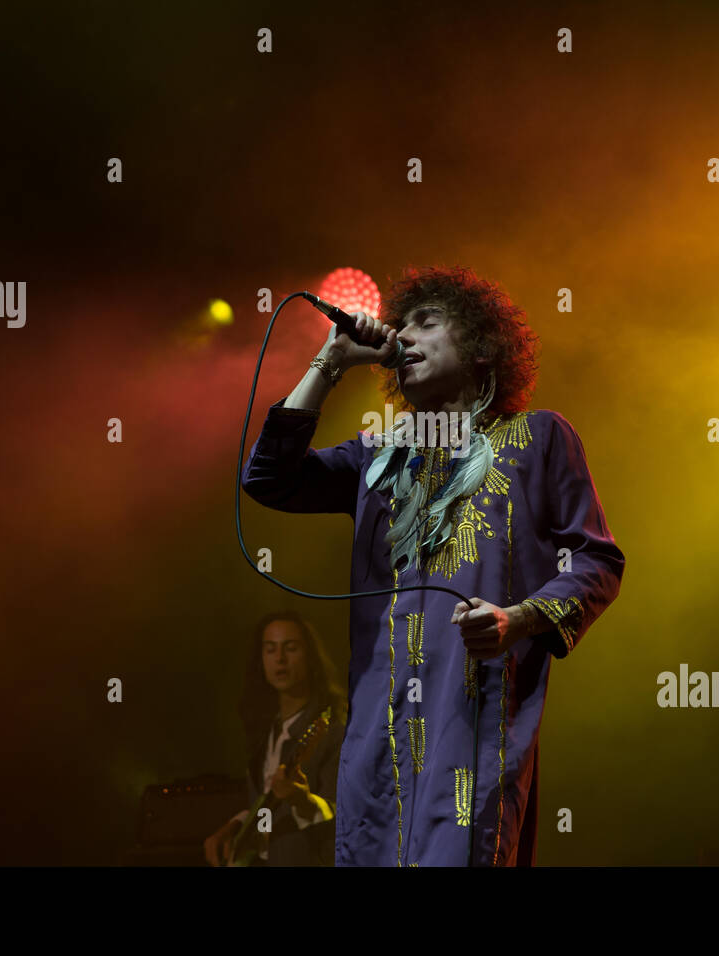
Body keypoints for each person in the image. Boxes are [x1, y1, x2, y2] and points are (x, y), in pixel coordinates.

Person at [241, 265, 624, 866]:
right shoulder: (375, 455)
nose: (405, 336)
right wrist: (332, 361)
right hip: (376, 737)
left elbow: (597, 560)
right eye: (400, 325)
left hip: (474, 721)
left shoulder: (539, 438)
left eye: (426, 322)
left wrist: (519, 619)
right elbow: (267, 478)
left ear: (477, 345)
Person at [203, 611, 345, 866]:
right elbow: (267, 805)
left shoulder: (333, 731)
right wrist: (236, 824)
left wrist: (302, 800)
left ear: (310, 656)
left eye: (290, 648)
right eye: (270, 649)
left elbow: (350, 819)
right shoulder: (266, 731)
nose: (280, 659)